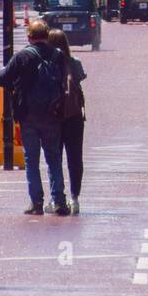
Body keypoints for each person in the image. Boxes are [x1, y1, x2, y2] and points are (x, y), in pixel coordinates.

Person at [0, 20, 70, 216]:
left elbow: (3, 79)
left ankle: (36, 202)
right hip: (52, 113)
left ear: (29, 36)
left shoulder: (23, 56)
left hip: (27, 114)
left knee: (32, 159)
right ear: (47, 35)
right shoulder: (58, 55)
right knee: (54, 157)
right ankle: (59, 200)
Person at [47, 29, 87, 215]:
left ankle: (56, 197)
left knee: (54, 157)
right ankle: (75, 197)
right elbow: (79, 78)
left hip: (53, 115)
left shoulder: (46, 64)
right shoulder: (74, 63)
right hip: (74, 115)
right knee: (74, 157)